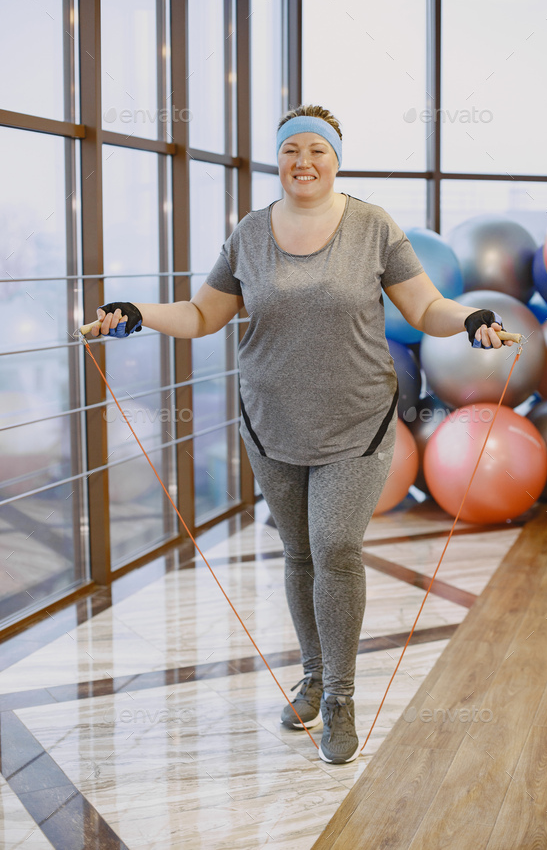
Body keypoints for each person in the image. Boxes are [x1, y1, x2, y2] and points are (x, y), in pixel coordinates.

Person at [90, 104, 510, 765]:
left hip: (357, 419)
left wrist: (472, 317)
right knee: (299, 554)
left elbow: (425, 305)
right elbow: (204, 313)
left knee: (335, 546)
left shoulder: (372, 227)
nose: (303, 162)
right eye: (291, 151)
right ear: (278, 160)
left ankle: (339, 699)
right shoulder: (250, 235)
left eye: (316, 149)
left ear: (335, 158)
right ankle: (313, 678)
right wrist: (138, 310)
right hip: (270, 420)